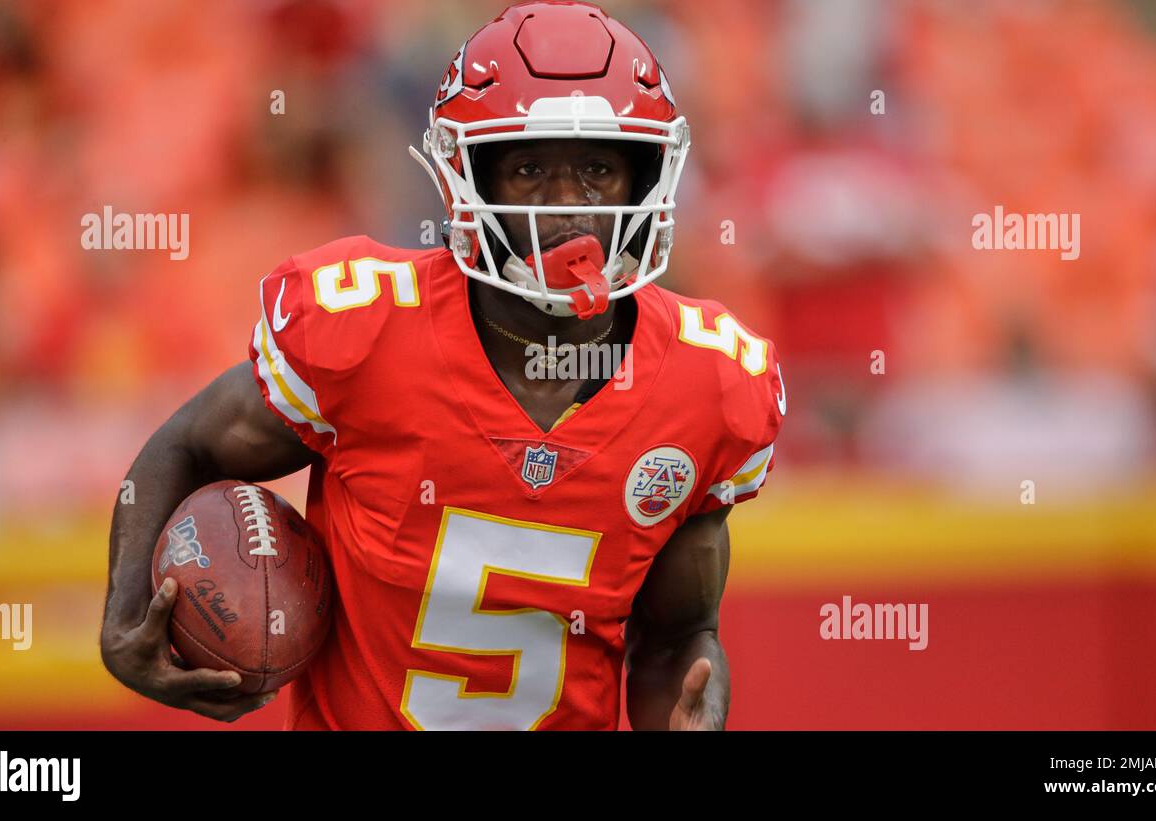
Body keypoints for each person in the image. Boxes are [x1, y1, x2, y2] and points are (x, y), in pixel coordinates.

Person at [100, 0, 784, 730]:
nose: (566, 206)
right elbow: (188, 442)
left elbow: (678, 636)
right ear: (470, 178)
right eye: (526, 168)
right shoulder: (365, 332)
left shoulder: (705, 384)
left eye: (596, 168)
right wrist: (123, 620)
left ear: (647, 178)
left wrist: (692, 714)